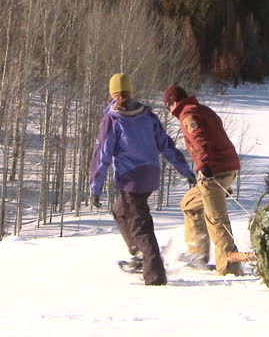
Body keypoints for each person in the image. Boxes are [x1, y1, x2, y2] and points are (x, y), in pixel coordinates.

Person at [90, 73, 195, 286]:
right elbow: (166, 145)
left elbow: (103, 155)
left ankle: (154, 275)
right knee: (121, 211)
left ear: (111, 92)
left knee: (141, 226)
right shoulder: (147, 115)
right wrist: (186, 170)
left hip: (131, 179)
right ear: (131, 91)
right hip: (150, 173)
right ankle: (140, 255)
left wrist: (95, 186)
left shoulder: (112, 119)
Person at [163, 84, 243, 276]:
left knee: (217, 222)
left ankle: (230, 267)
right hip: (228, 168)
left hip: (214, 172)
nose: (169, 111)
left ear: (173, 102)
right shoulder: (203, 110)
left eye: (168, 107)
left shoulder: (187, 115)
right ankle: (197, 254)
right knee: (189, 204)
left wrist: (203, 165)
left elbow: (200, 140)